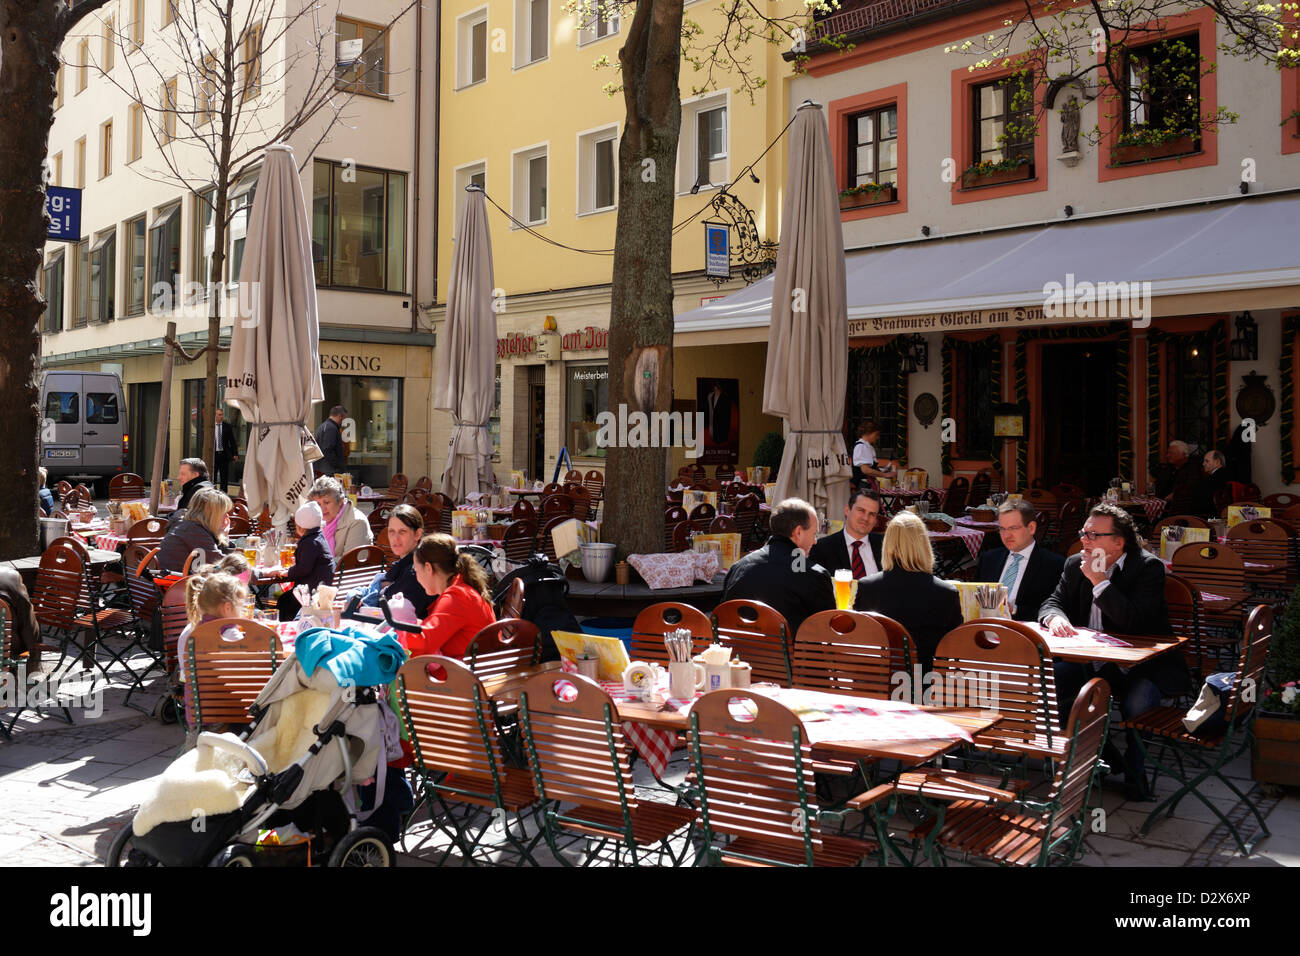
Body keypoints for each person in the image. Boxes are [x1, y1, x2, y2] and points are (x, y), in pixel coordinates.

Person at [1039, 502, 1187, 800]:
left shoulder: (1147, 568)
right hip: (1091, 661)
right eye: (1084, 532)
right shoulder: (1074, 564)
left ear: (1118, 542)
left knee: (1136, 703)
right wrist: (1056, 617)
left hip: (1141, 664)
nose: (1085, 540)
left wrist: (1100, 582)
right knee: (1049, 686)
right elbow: (1051, 602)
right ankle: (1105, 761)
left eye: (1093, 535)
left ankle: (1136, 771)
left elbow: (1134, 621)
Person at [854, 512, 963, 672]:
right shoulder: (947, 593)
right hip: (928, 685)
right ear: (924, 545)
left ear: (888, 544)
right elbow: (955, 647)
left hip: (881, 682)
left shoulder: (867, 588)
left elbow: (859, 641)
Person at [722, 498, 835, 640]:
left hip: (738, 658)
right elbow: (829, 632)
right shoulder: (814, 575)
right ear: (798, 532)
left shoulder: (737, 568)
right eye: (813, 534)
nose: (815, 541)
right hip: (791, 660)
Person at [403, 533, 496, 657]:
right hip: (472, 668)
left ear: (428, 568)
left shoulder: (456, 596)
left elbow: (422, 644)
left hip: (462, 673)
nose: (417, 578)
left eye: (416, 571)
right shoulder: (462, 589)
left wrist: (395, 634)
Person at [975, 500, 1065, 622]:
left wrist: (1014, 609)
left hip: (1025, 632)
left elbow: (1055, 612)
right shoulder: (989, 559)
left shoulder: (1055, 565)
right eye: (1002, 529)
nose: (1007, 535)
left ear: (1031, 528)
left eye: (1013, 528)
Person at [176, 571, 250, 720]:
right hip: (232, 715)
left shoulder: (188, 632)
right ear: (227, 607)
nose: (243, 612)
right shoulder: (231, 636)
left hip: (198, 714)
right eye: (241, 607)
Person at [353, 504, 433, 619]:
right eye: (391, 531)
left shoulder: (416, 570)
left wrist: (382, 588)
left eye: (402, 532)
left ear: (417, 534)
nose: (395, 538)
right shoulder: (405, 565)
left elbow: (388, 610)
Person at [276, 502, 336, 621]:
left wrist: (288, 572)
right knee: (285, 599)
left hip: (310, 590)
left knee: (284, 601)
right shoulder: (318, 538)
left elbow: (304, 568)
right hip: (321, 586)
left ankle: (286, 626)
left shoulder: (309, 542)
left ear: (300, 527)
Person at [808, 487, 884, 579]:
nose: (865, 518)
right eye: (861, 510)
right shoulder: (822, 548)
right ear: (847, 510)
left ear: (876, 520)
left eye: (872, 514)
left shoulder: (886, 545)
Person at [156, 488, 233, 572]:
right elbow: (221, 564)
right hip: (171, 581)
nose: (226, 516)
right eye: (223, 512)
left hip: (174, 578)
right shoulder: (193, 530)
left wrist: (223, 536)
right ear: (211, 515)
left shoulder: (189, 525)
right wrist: (224, 536)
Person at [309, 476, 372, 560]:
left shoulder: (357, 522)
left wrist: (315, 564)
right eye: (318, 504)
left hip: (347, 572)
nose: (322, 509)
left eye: (327, 502)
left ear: (340, 501)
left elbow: (351, 561)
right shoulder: (320, 520)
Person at [0, 566, 43, 667]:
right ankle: (29, 673)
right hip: (7, 653)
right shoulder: (10, 576)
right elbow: (29, 626)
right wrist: (33, 656)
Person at [1155, 440, 1203, 516]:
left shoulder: (1192, 469)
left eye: (1171, 453)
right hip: (1161, 506)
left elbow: (1191, 488)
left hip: (1180, 511)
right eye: (1167, 453)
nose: (1167, 456)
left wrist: (1175, 495)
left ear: (1183, 454)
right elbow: (1157, 486)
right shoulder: (1168, 468)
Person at [851, 420, 895, 484]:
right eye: (876, 434)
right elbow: (865, 470)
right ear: (867, 433)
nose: (877, 437)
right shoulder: (861, 446)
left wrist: (883, 470)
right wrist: (885, 475)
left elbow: (870, 467)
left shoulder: (868, 447)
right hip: (860, 485)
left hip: (867, 483)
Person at [314, 405, 348, 476]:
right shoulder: (331, 428)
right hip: (330, 471)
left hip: (323, 469)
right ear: (340, 416)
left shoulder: (323, 426)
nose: (343, 422)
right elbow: (327, 449)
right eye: (343, 419)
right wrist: (338, 466)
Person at [1196, 449, 1231, 518]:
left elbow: (1201, 505)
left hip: (1210, 518)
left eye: (1207, 461)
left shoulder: (1211, 480)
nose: (1203, 464)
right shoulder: (1229, 474)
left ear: (1217, 462)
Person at [213, 409, 238, 492]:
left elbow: (232, 441)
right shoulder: (211, 427)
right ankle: (213, 493)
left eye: (222, 414)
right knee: (213, 477)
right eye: (219, 415)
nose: (221, 416)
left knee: (224, 477)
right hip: (214, 455)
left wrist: (235, 453)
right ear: (215, 416)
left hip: (224, 455)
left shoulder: (227, 426)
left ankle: (224, 495)